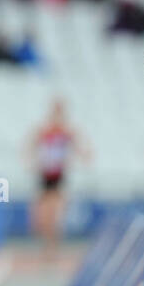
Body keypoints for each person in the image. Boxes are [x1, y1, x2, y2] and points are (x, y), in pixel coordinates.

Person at [31, 99, 90, 255]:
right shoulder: (44, 130)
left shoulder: (66, 132)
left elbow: (79, 147)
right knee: (42, 216)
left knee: (55, 213)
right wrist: (33, 161)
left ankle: (53, 246)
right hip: (44, 176)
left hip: (58, 176)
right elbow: (32, 146)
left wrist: (83, 156)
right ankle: (46, 243)